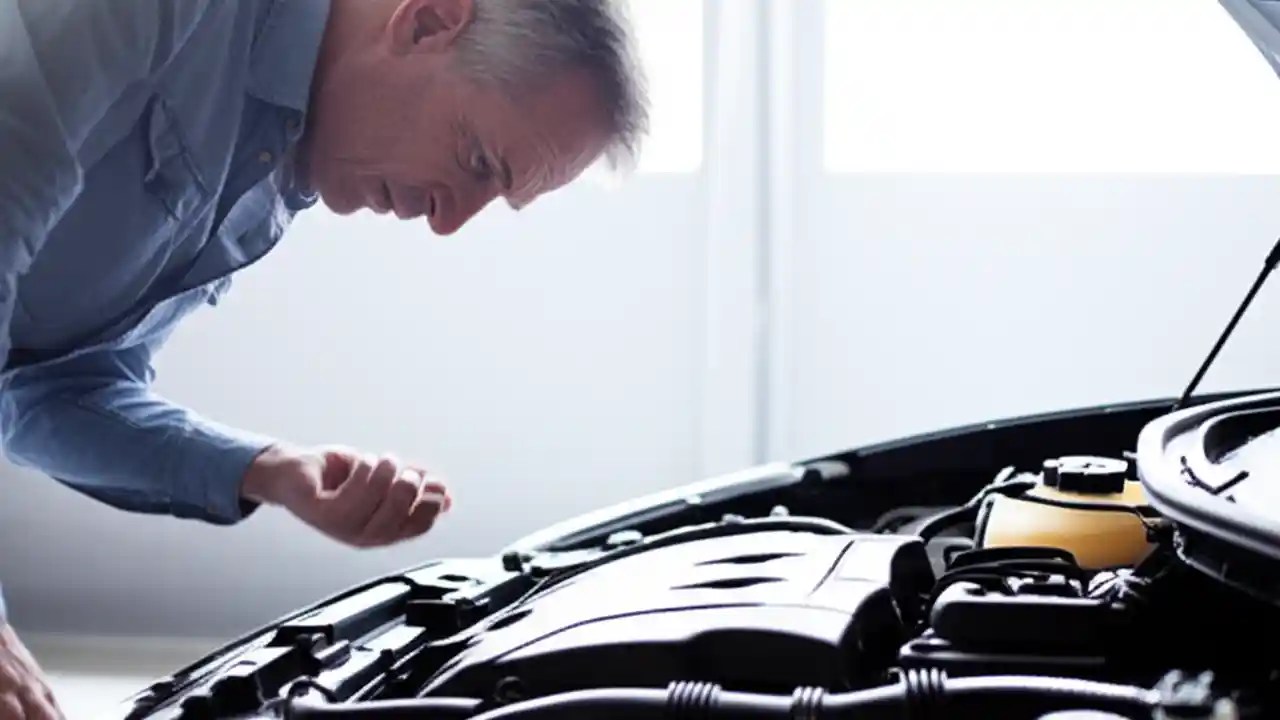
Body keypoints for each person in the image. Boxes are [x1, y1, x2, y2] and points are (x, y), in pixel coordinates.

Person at [0, 0, 649, 715]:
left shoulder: (274, 166)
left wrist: (269, 471)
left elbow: (42, 388)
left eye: (493, 198)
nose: (447, 222)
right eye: (474, 161)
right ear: (429, 21)